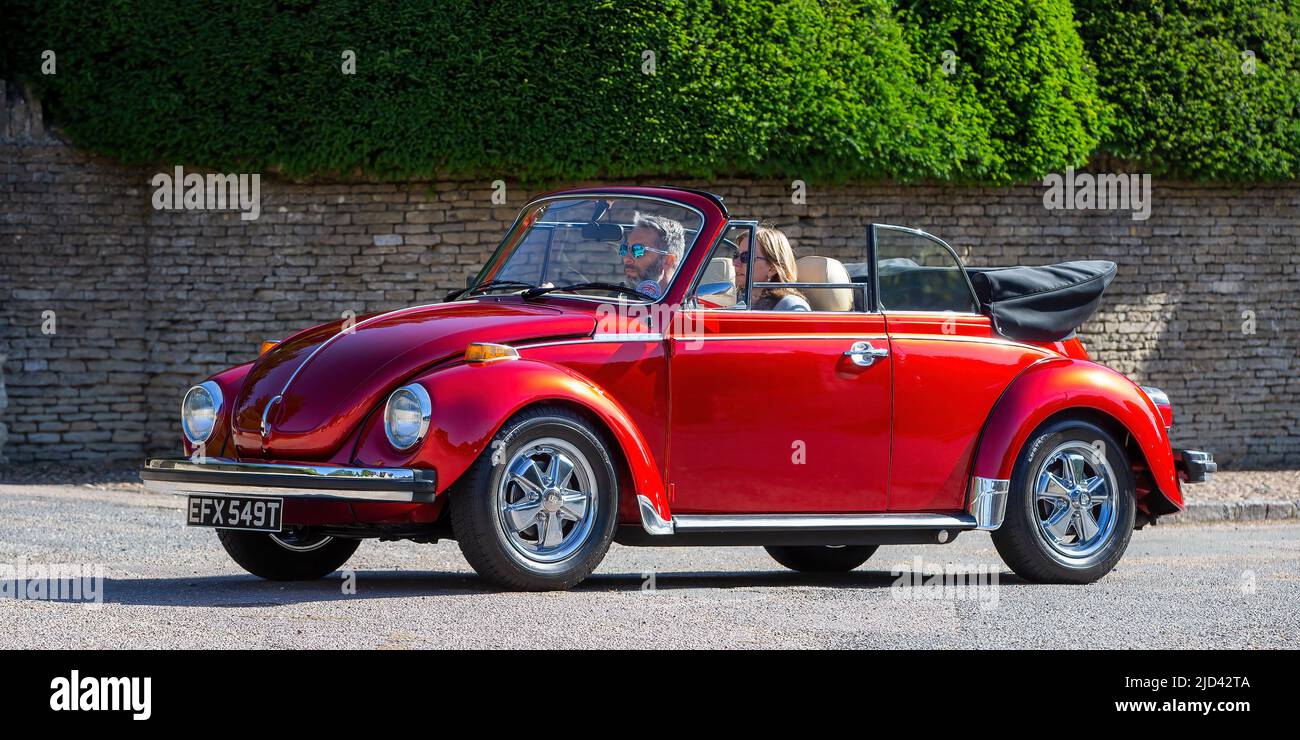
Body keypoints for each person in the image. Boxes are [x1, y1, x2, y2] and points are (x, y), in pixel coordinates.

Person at [733, 225, 810, 311]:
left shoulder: (790, 306)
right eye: (736, 255)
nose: (735, 263)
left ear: (772, 268)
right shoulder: (736, 300)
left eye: (746, 257)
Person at [620, 212, 685, 300]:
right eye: (625, 248)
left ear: (668, 260)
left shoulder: (686, 308)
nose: (626, 258)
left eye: (638, 249)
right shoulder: (617, 298)